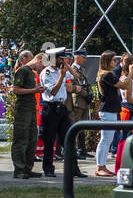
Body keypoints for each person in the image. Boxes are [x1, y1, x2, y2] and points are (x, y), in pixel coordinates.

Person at [39, 49, 83, 178]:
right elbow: (52, 91)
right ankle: (48, 169)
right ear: (53, 59)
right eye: (61, 59)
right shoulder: (46, 72)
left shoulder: (61, 70)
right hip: (51, 108)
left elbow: (76, 76)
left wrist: (67, 66)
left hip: (61, 108)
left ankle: (74, 169)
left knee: (68, 139)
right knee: (50, 140)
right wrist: (61, 77)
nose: (63, 61)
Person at [95, 50, 129, 177]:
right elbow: (124, 85)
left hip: (109, 109)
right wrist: (131, 72)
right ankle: (100, 166)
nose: (116, 62)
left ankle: (102, 165)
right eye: (114, 60)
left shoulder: (106, 74)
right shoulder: (107, 75)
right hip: (108, 110)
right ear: (107, 61)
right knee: (105, 140)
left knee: (106, 140)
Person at [9, 50, 40, 179]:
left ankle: (27, 168)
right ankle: (19, 169)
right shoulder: (23, 70)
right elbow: (16, 89)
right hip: (23, 109)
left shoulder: (32, 73)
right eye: (41, 64)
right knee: (21, 139)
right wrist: (34, 90)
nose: (42, 67)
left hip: (31, 108)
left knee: (32, 139)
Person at [67, 48, 92, 158]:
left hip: (84, 101)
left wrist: (89, 93)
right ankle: (76, 149)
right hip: (77, 100)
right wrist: (86, 94)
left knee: (83, 126)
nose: (85, 60)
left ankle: (82, 149)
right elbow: (75, 85)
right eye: (83, 57)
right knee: (76, 126)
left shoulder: (82, 69)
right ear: (77, 56)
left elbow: (86, 83)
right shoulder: (71, 69)